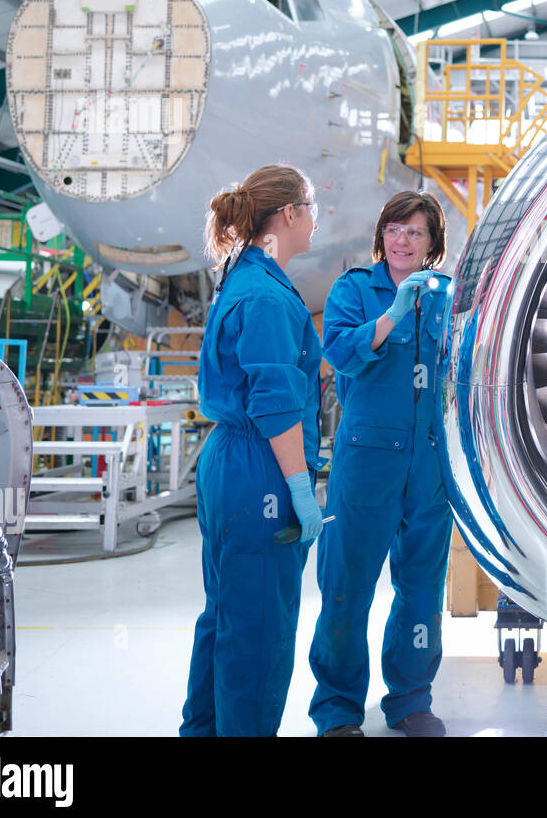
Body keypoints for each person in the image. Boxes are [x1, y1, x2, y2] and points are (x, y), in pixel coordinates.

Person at [180, 164, 325, 737]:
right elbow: (275, 406)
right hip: (259, 467)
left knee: (225, 619)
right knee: (260, 629)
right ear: (289, 214)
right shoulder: (265, 296)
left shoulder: (243, 277)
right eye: (311, 205)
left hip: (230, 464)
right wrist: (298, 489)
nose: (317, 217)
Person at [309, 190, 454, 738]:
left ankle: (411, 701)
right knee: (347, 585)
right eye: (394, 229)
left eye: (415, 232)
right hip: (366, 459)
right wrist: (392, 317)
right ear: (381, 235)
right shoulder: (353, 289)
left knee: (421, 588)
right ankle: (339, 710)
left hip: (429, 461)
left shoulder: (447, 297)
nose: (402, 240)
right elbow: (340, 353)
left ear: (431, 243)